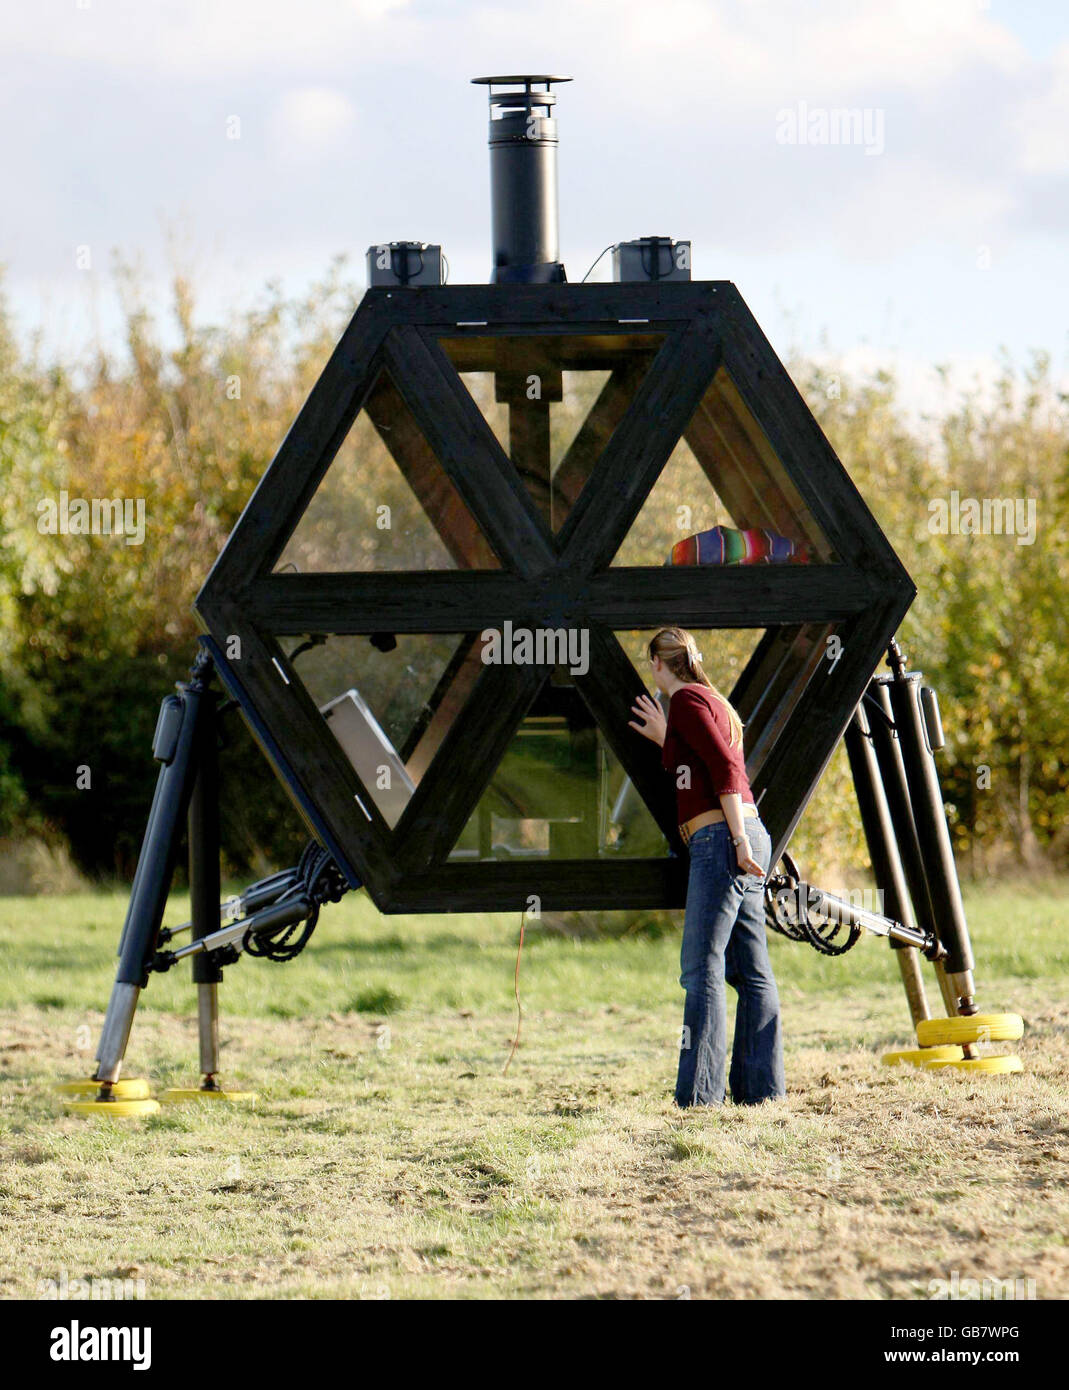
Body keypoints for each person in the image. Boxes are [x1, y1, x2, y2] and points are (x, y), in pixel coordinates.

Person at [628, 627, 786, 1107]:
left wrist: (737, 841)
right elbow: (699, 765)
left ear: (658, 662)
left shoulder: (689, 703)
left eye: (649, 662)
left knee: (701, 969)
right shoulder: (712, 702)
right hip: (744, 832)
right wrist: (665, 739)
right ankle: (760, 1092)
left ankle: (700, 1097)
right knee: (750, 969)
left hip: (724, 838)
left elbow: (723, 770)